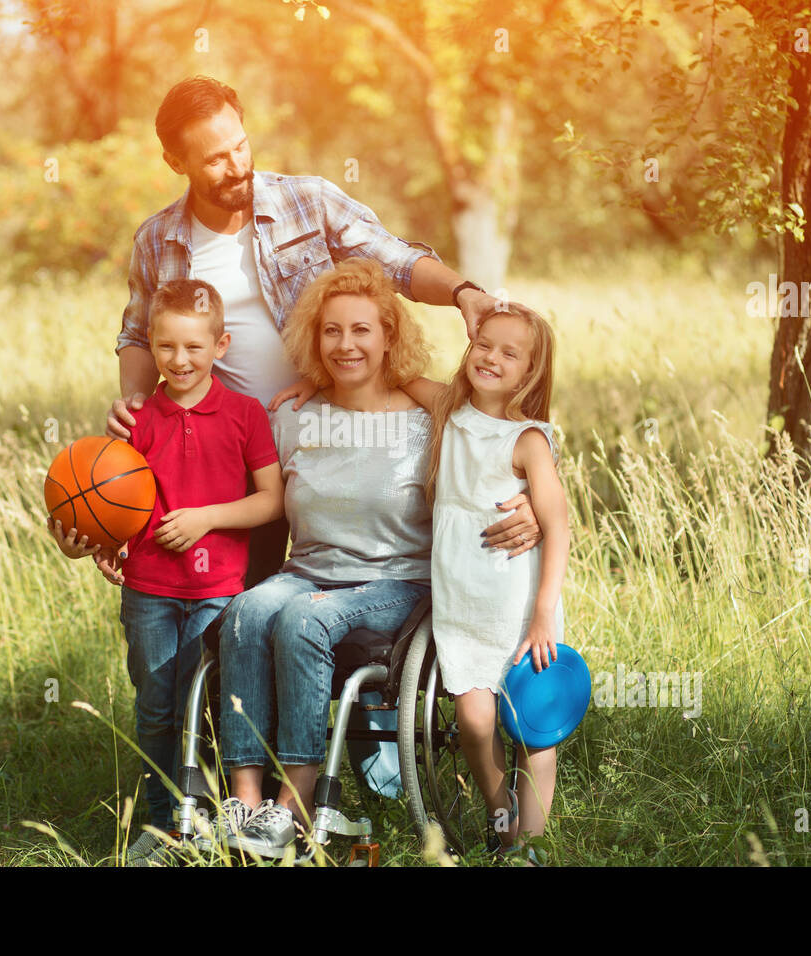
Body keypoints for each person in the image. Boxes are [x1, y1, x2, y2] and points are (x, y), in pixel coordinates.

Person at [105, 75, 545, 589]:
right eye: (214, 160)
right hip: (229, 457)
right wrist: (135, 416)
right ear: (176, 163)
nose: (237, 166)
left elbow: (398, 260)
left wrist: (463, 292)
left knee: (333, 594)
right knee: (228, 607)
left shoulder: (307, 202)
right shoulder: (158, 239)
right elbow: (137, 336)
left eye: (240, 146)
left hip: (323, 441)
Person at [49, 279, 284, 864]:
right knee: (156, 705)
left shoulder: (245, 414)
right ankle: (165, 827)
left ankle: (215, 818)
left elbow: (272, 501)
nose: (180, 361)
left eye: (194, 348)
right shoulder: (136, 421)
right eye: (166, 347)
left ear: (221, 345)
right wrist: (96, 543)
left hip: (219, 592)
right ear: (149, 345)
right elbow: (116, 501)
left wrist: (206, 519)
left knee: (208, 704)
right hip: (150, 591)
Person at [206, 260, 433, 857]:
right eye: (331, 331)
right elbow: (245, 495)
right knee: (249, 611)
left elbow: (506, 444)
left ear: (389, 335)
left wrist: (533, 511)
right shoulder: (293, 416)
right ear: (315, 338)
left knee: (306, 617)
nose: (346, 344)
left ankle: (297, 804)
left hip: (395, 582)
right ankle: (245, 803)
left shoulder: (425, 424)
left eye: (361, 330)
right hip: (307, 571)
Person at [419, 302, 570, 862]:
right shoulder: (446, 409)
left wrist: (544, 613)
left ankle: (526, 848)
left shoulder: (528, 439)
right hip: (461, 608)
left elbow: (558, 526)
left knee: (532, 726)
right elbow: (385, 373)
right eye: (484, 344)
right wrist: (306, 390)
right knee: (475, 720)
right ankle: (499, 810)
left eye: (510, 353)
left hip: (518, 609)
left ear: (530, 370)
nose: (491, 358)